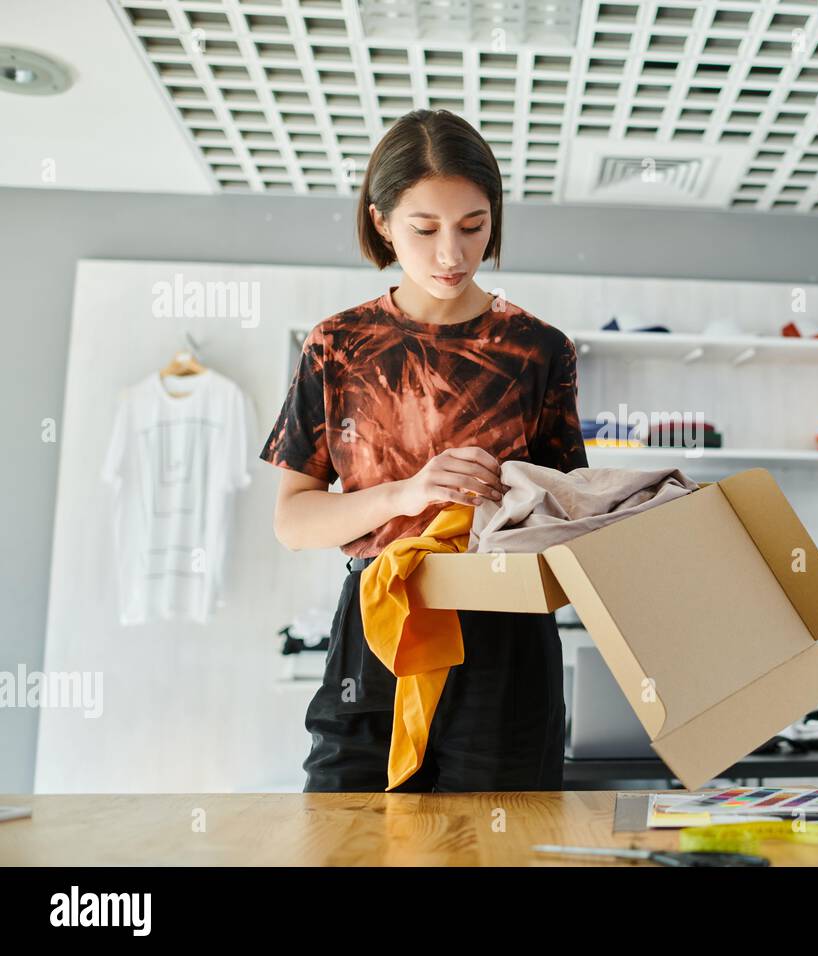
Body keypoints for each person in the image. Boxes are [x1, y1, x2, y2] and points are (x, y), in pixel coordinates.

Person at [259, 109, 587, 793]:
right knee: (347, 833)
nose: (451, 255)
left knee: (496, 841)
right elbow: (293, 522)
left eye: (473, 226)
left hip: (506, 636)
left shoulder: (541, 350)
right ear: (381, 222)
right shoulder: (336, 345)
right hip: (379, 625)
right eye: (425, 228)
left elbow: (569, 521)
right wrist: (408, 494)